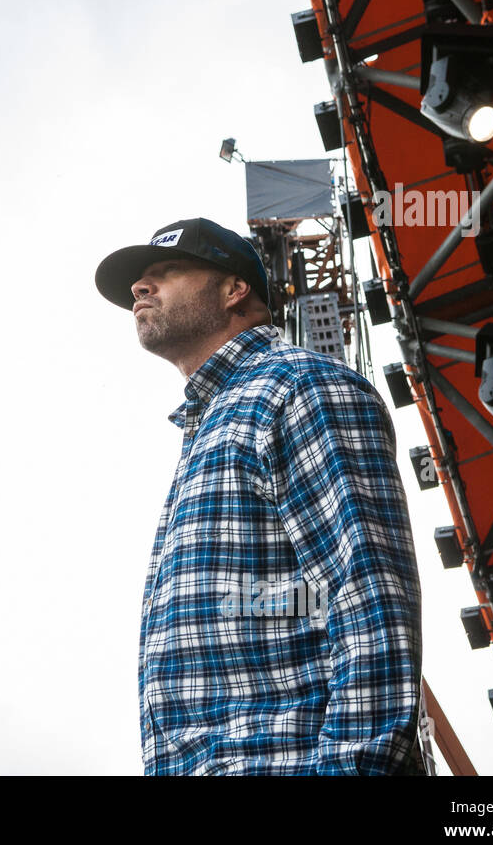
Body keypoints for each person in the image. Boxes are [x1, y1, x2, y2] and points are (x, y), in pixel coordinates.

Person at [94, 217, 425, 775]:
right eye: (139, 282)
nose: (139, 289)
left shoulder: (299, 386)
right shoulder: (212, 426)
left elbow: (367, 596)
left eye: (165, 272)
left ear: (234, 288)